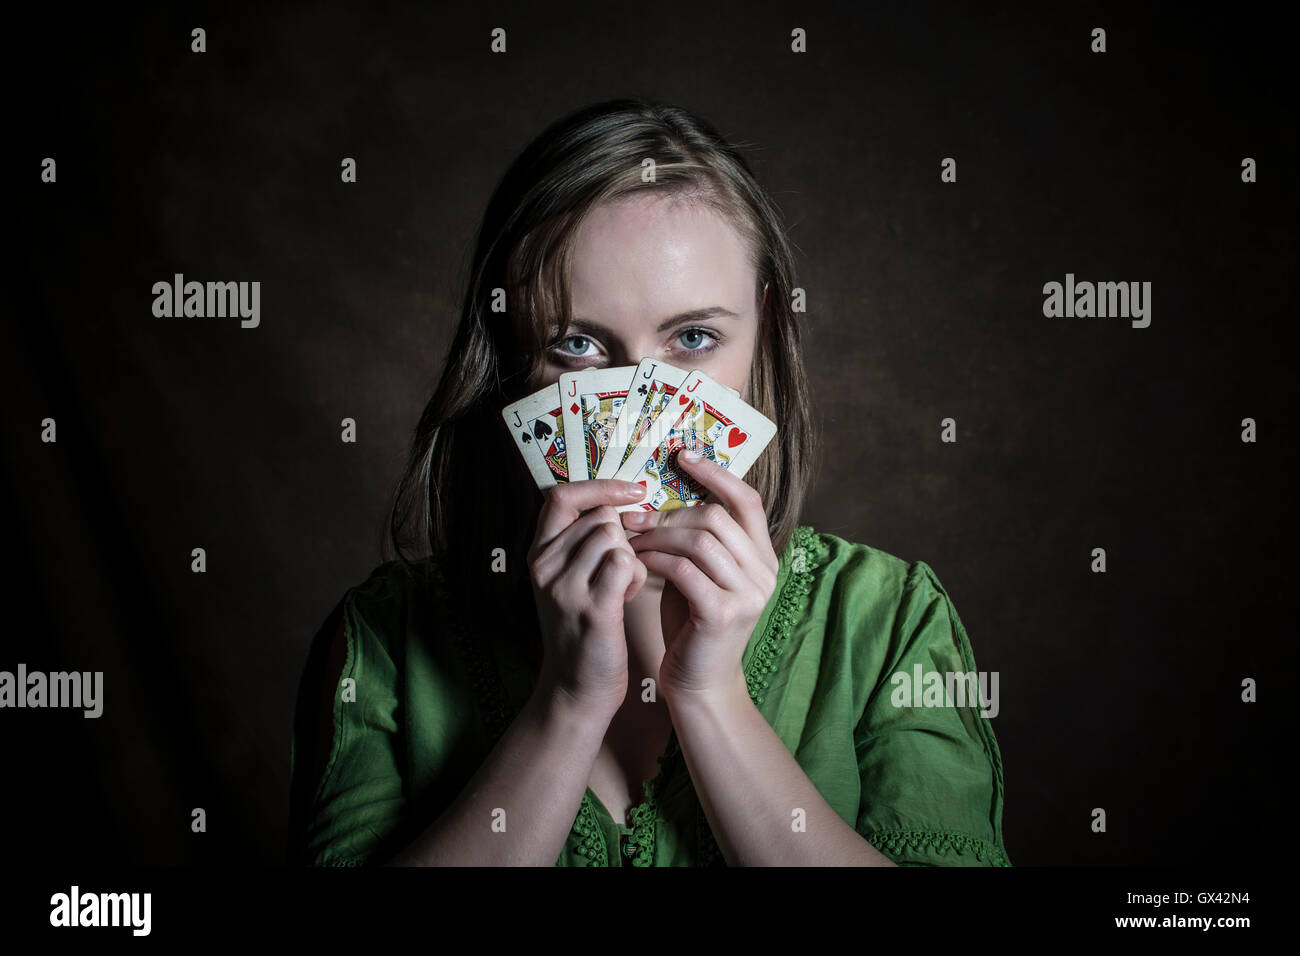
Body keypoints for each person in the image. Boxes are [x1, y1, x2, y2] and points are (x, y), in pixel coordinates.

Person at [287, 98, 1010, 867]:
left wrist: (711, 699)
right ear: (508, 361)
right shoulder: (384, 643)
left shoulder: (888, 623)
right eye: (575, 344)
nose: (643, 408)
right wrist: (567, 708)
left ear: (763, 330)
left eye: (694, 337)